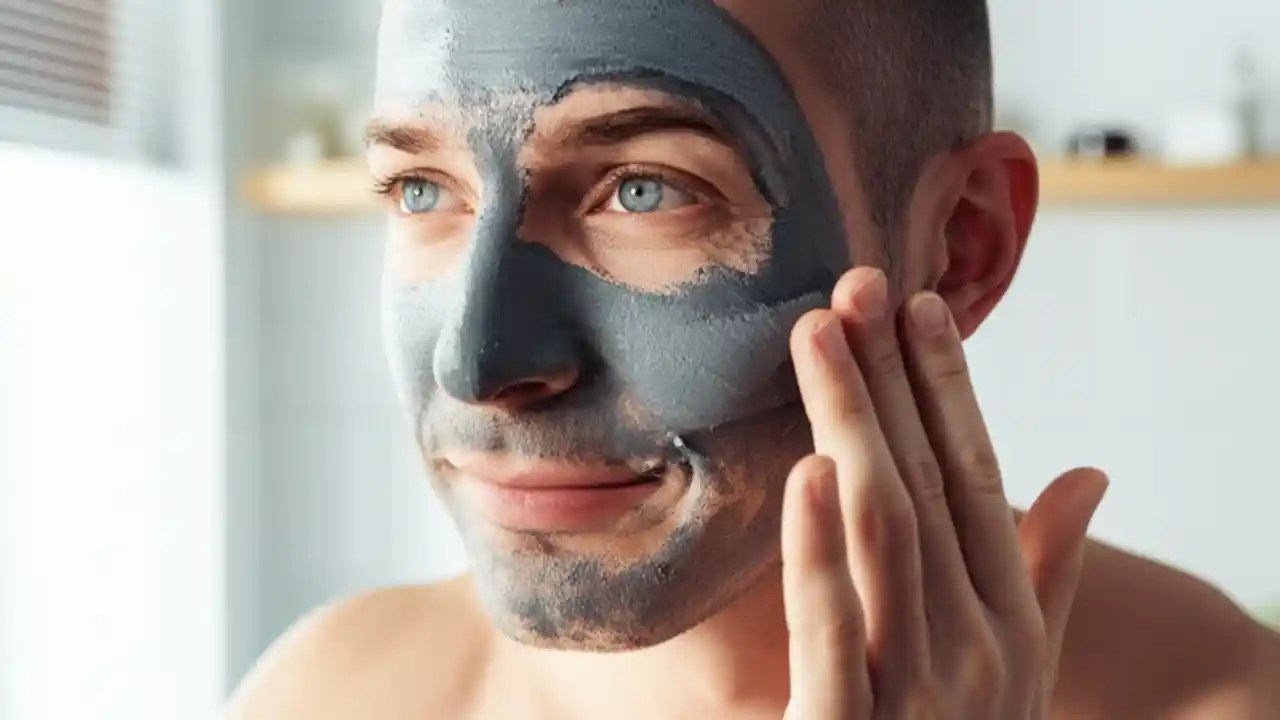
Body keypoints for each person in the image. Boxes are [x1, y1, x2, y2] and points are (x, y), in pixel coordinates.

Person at [228, 0, 1280, 717]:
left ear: (960, 246)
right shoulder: (328, 692)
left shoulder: (1215, 698)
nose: (476, 363)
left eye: (645, 187)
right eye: (422, 190)